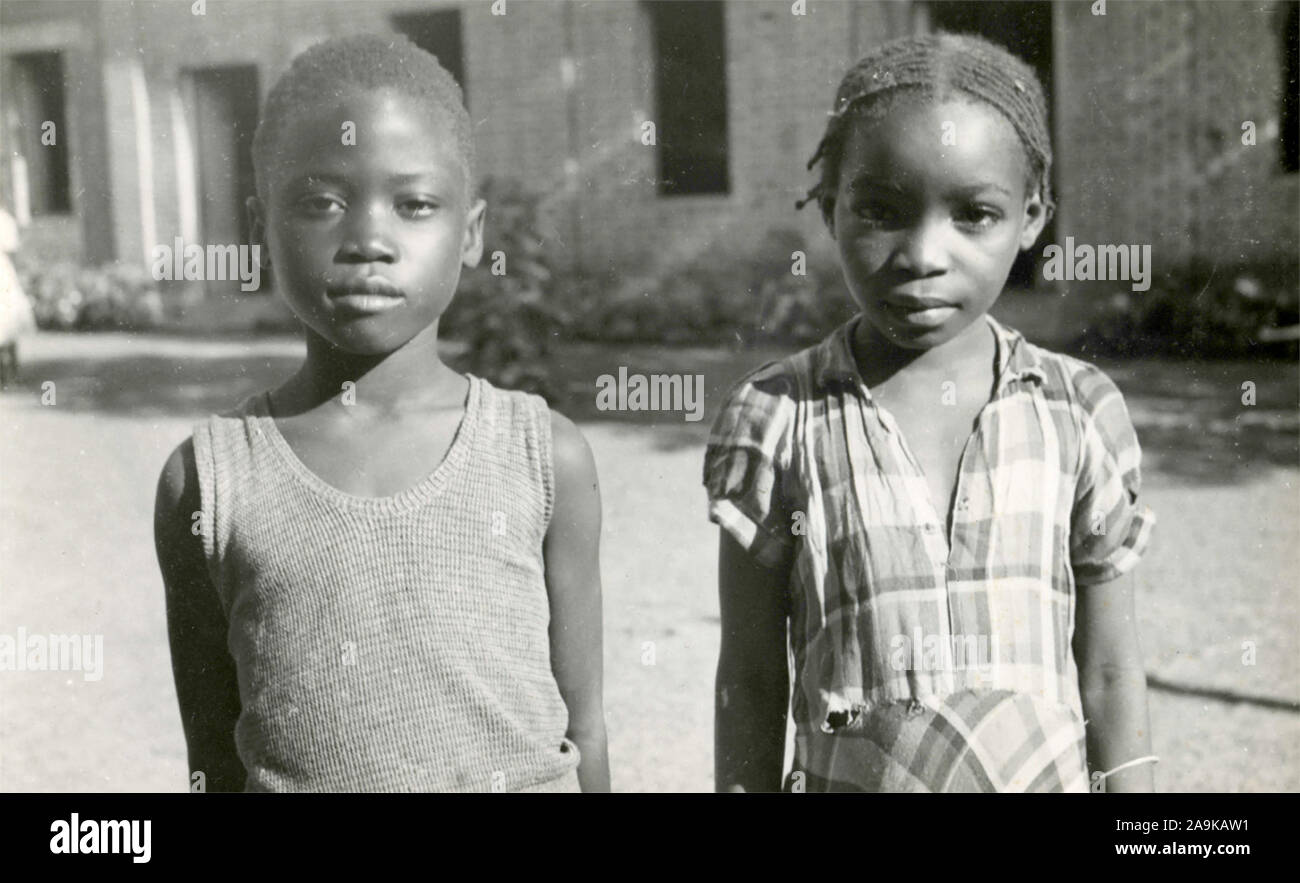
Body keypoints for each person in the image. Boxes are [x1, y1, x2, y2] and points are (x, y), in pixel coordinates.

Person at [154, 34, 608, 793]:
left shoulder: (542, 457)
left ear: (470, 233)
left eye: (414, 205)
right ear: (263, 225)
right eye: (321, 202)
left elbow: (584, 725)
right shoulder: (210, 483)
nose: (368, 240)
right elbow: (211, 756)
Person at [705, 33, 1156, 792]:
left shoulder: (1078, 412)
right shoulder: (778, 418)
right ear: (828, 208)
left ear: (1033, 215)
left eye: (974, 214)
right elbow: (750, 679)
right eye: (881, 210)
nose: (922, 253)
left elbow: (1109, 672)